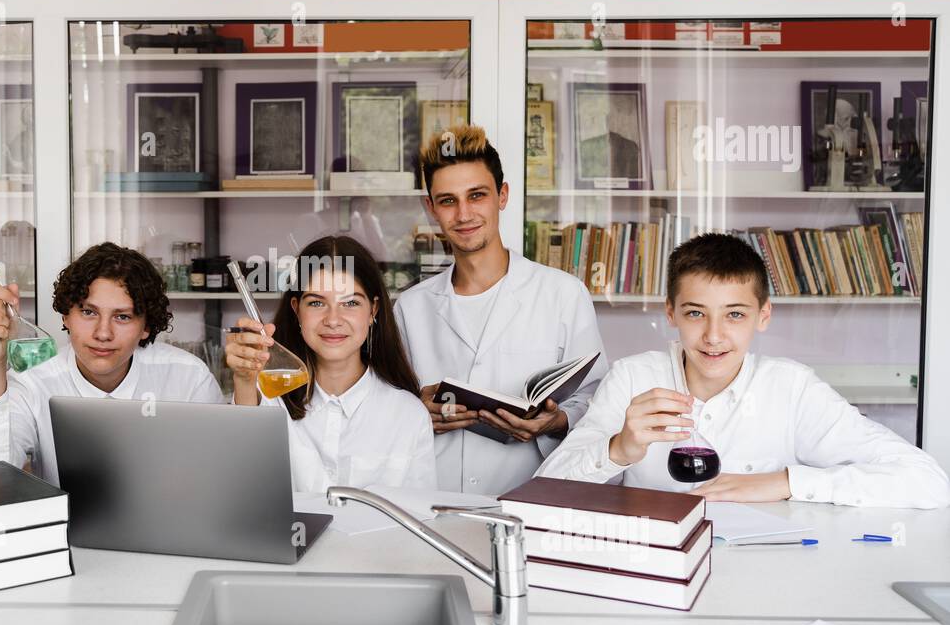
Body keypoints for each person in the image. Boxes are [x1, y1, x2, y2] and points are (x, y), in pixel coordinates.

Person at [537, 233, 950, 508]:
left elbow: (928, 481)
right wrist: (618, 449)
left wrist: (786, 482)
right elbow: (543, 492)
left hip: (766, 579)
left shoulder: (791, 387)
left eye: (734, 314)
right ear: (671, 314)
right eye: (696, 313)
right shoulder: (633, 378)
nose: (714, 336)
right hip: (656, 576)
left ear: (763, 316)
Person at [394, 124, 608, 495]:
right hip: (433, 502)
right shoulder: (412, 307)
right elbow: (389, 406)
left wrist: (556, 421)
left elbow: (595, 399)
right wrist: (415, 411)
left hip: (529, 501)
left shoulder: (563, 294)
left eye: (476, 195)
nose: (464, 214)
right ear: (431, 209)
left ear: (502, 195)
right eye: (448, 200)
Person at [0, 242, 222, 486]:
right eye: (88, 312)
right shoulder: (35, 381)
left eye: (123, 317)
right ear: (66, 316)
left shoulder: (187, 378)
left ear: (146, 327)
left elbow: (219, 478)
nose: (103, 333)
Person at [226, 235, 435, 493]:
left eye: (350, 303)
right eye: (316, 303)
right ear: (296, 309)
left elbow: (418, 516)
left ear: (373, 311)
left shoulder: (408, 416)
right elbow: (238, 485)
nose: (333, 319)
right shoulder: (267, 399)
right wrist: (245, 381)